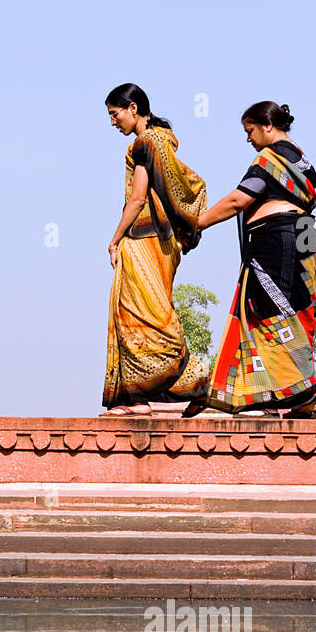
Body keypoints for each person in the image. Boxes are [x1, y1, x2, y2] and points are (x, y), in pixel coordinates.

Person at [183, 101, 316, 418]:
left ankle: (307, 395)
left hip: (277, 240)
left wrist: (197, 222)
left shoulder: (270, 159)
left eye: (250, 131)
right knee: (283, 313)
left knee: (273, 314)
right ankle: (278, 397)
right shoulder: (301, 160)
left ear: (267, 126)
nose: (248, 139)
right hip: (300, 238)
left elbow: (238, 200)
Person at [103, 83, 210, 414]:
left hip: (143, 242)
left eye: (114, 114)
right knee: (146, 314)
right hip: (162, 243)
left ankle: (199, 381)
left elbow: (137, 198)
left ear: (133, 109)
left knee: (138, 315)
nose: (112, 122)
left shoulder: (146, 143)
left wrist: (114, 238)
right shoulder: (163, 139)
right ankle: (134, 397)